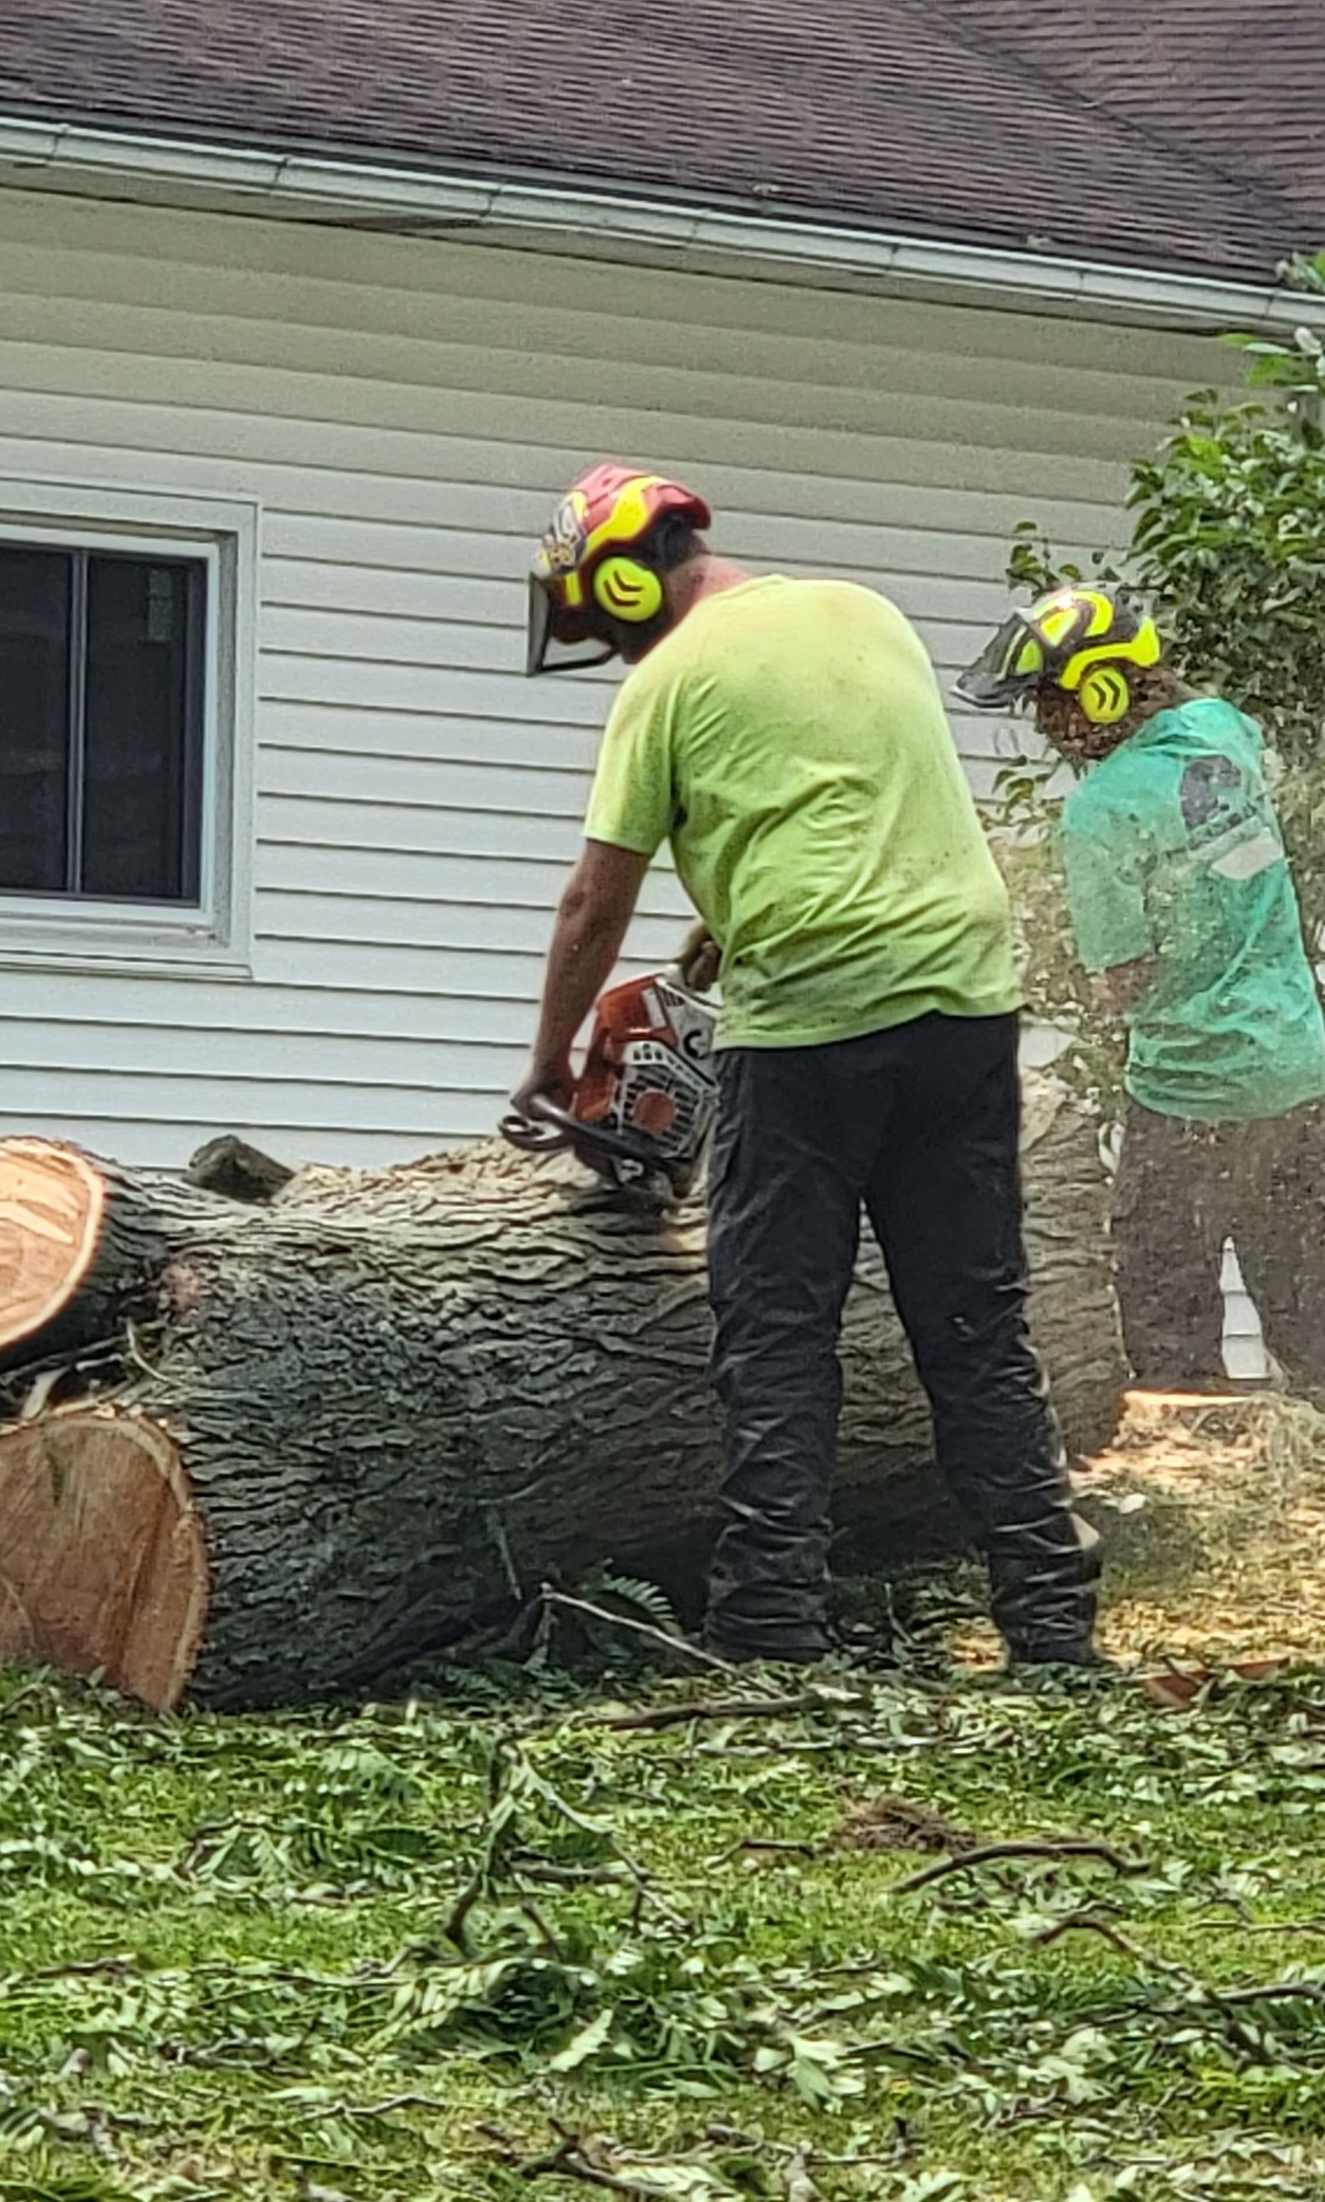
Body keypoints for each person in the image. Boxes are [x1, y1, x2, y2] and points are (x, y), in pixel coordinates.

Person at [516, 462, 1100, 1667]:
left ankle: (771, 1625)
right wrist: (719, 932)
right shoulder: (864, 612)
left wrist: (549, 1060)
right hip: (962, 1001)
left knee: (779, 1329)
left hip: (810, 1028)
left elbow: (593, 902)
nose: (606, 641)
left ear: (624, 583)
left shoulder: (665, 685)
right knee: (975, 1328)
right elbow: (846, 810)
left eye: (596, 615)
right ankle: (1052, 1625)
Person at [959, 585, 1325, 1394]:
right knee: (1312, 1320)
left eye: (1050, 702)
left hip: (1190, 1096)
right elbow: (1195, 710)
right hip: (1300, 1073)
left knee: (1167, 1322)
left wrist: (1069, 972)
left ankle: (1195, 1454)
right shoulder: (1225, 730)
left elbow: (1122, 981)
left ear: (1102, 690)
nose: (1044, 725)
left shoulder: (1099, 812)